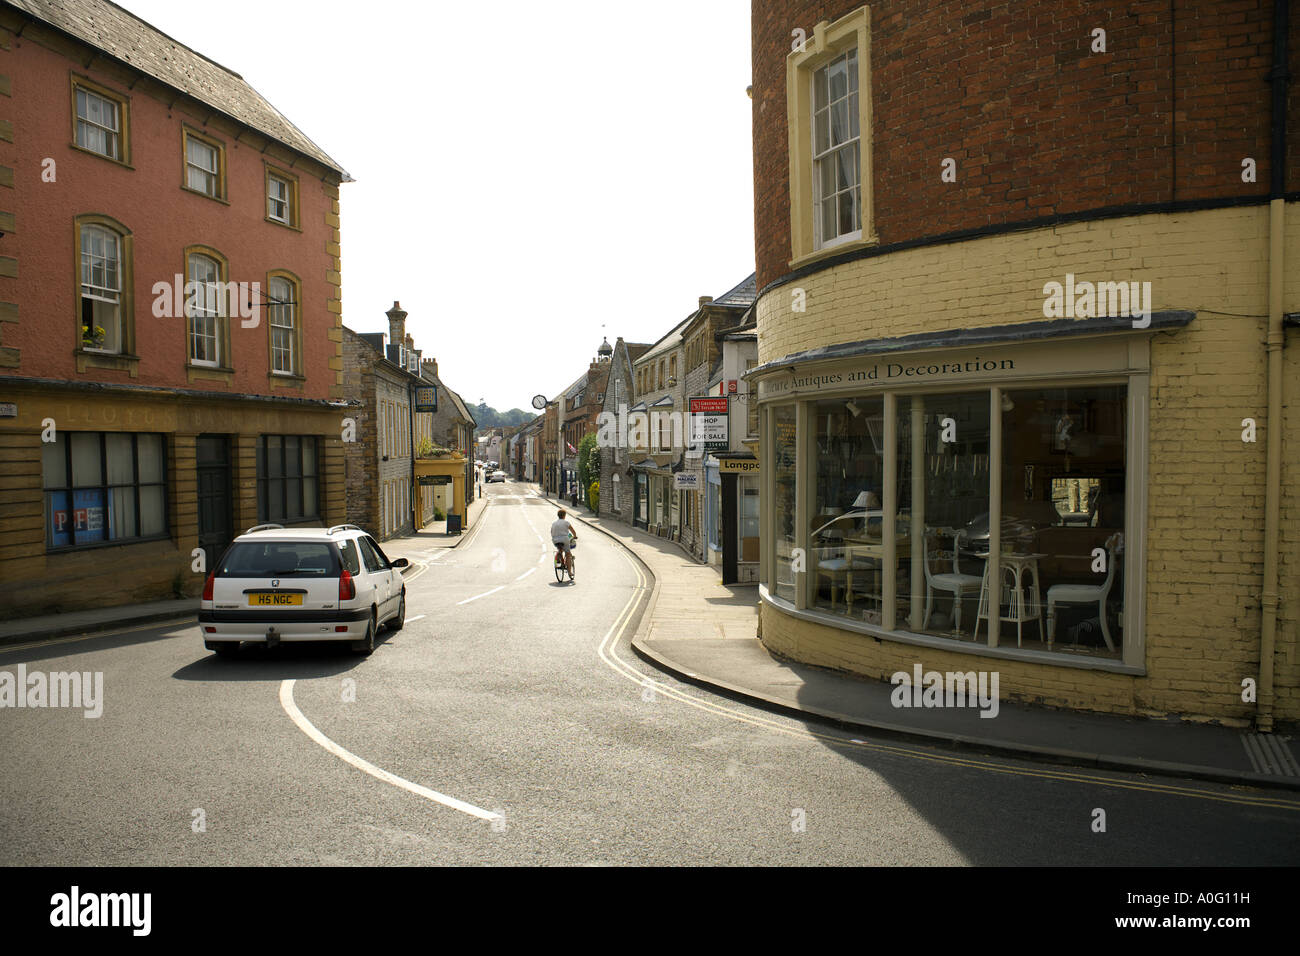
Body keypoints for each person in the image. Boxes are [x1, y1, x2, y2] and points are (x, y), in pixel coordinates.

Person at [551, 508, 577, 578]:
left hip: (555, 540)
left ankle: (558, 557)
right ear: (564, 516)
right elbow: (572, 530)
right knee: (568, 554)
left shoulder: (554, 523)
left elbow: (551, 532)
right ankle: (569, 572)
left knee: (560, 548)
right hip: (564, 539)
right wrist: (574, 536)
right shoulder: (566, 522)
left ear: (558, 515)